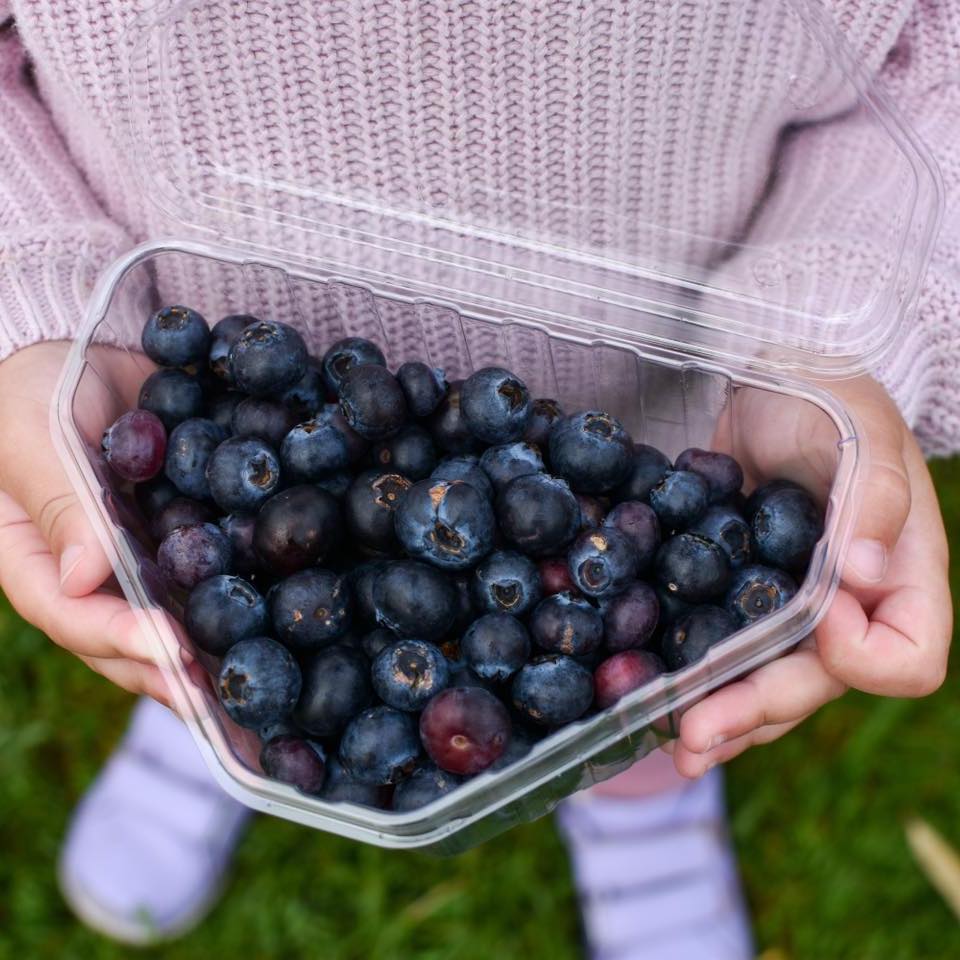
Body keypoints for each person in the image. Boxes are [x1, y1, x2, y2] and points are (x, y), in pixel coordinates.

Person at [0, 1, 954, 956]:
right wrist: (30, 298)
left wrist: (825, 338)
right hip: (214, 367)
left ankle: (637, 792)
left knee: (637, 692)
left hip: (665, 391)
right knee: (197, 635)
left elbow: (932, 76)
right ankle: (201, 720)